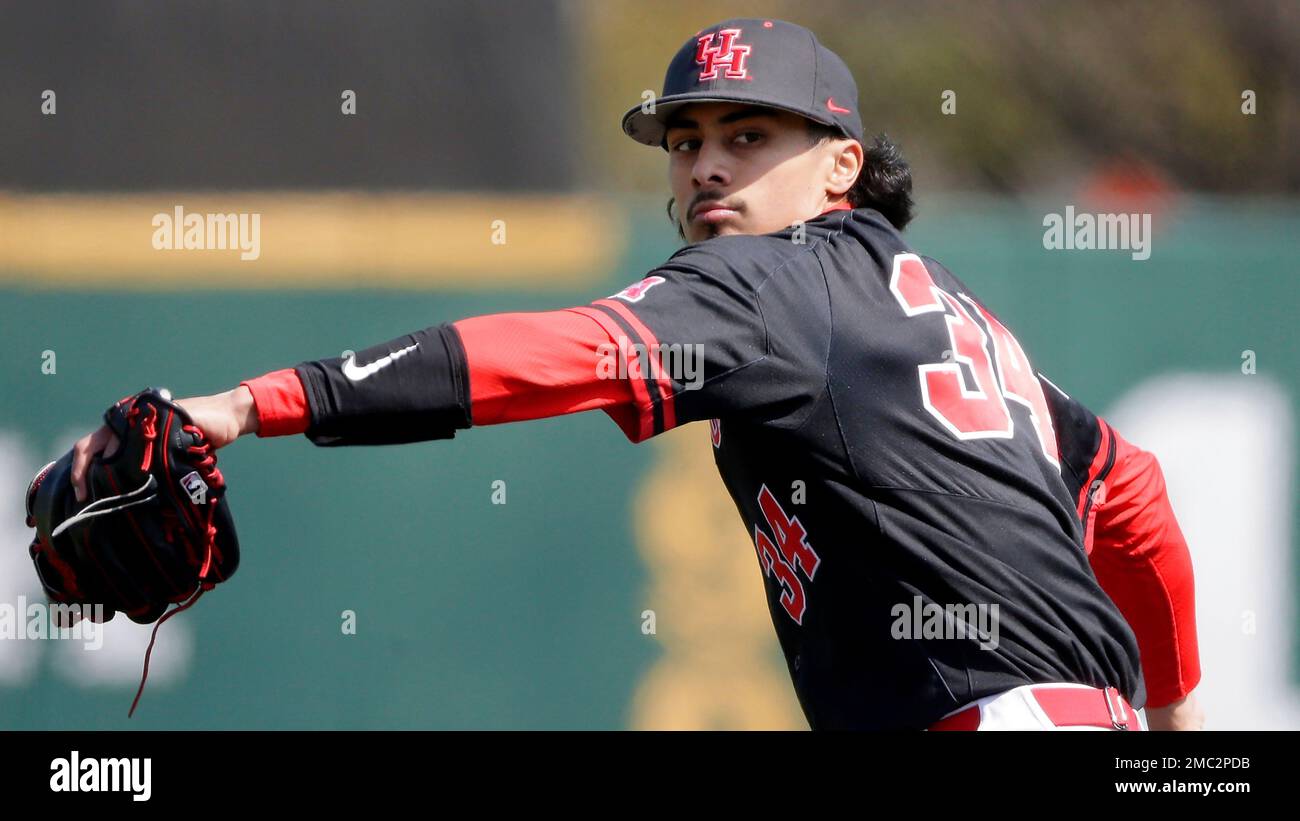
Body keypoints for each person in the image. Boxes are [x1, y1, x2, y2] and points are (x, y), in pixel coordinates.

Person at [69, 18, 1202, 730]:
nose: (706, 161)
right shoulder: (927, 305)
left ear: (840, 165)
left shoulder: (770, 287)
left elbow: (542, 358)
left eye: (750, 135)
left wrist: (253, 403)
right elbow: (1130, 490)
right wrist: (1172, 721)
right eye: (686, 138)